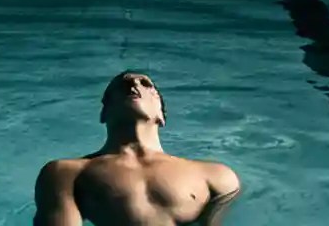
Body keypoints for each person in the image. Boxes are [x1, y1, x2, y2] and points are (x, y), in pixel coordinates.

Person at [33, 71, 241, 225]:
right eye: (121, 86)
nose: (133, 83)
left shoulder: (216, 176)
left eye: (146, 84)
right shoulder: (67, 173)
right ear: (104, 113)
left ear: (161, 115)